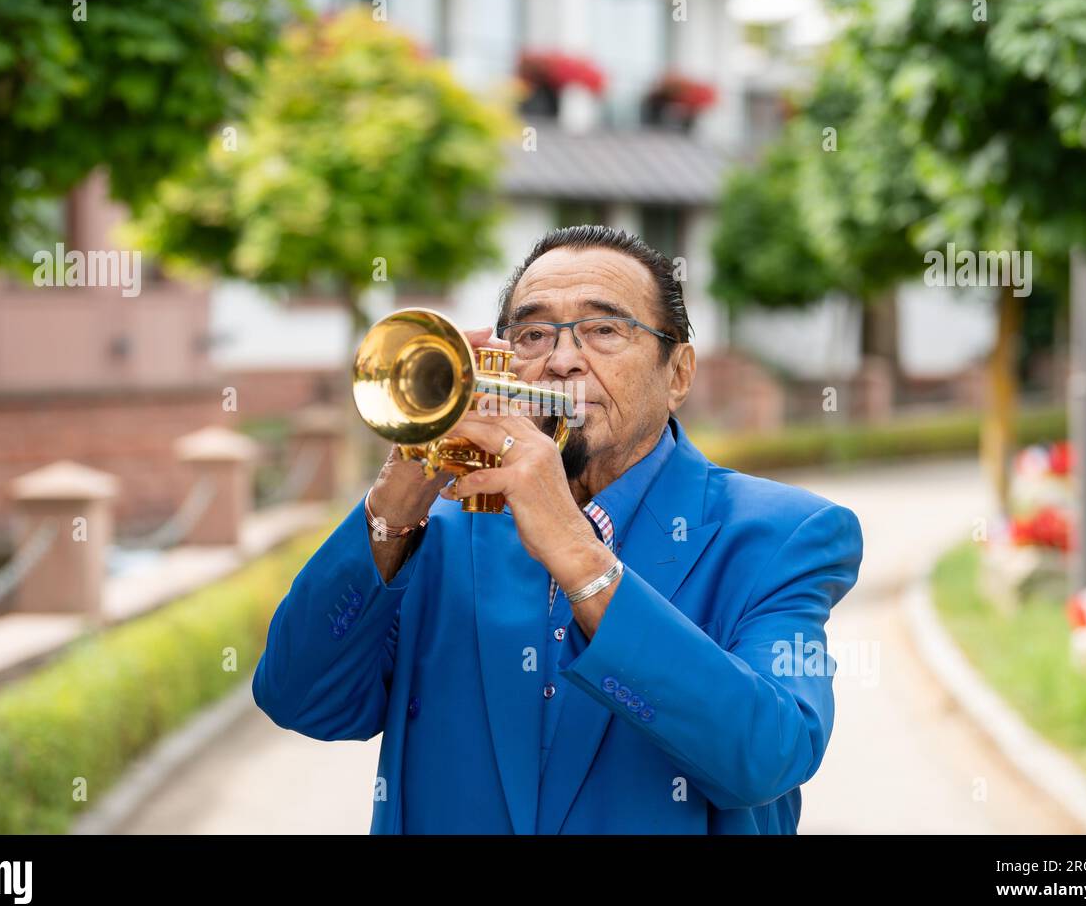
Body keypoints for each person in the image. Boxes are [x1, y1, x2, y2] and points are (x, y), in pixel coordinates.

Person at [253, 225, 863, 833]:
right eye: (534, 334)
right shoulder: (433, 532)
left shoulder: (784, 536)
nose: (563, 360)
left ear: (677, 373)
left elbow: (765, 758)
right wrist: (393, 506)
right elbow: (301, 698)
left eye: (604, 330)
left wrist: (576, 551)